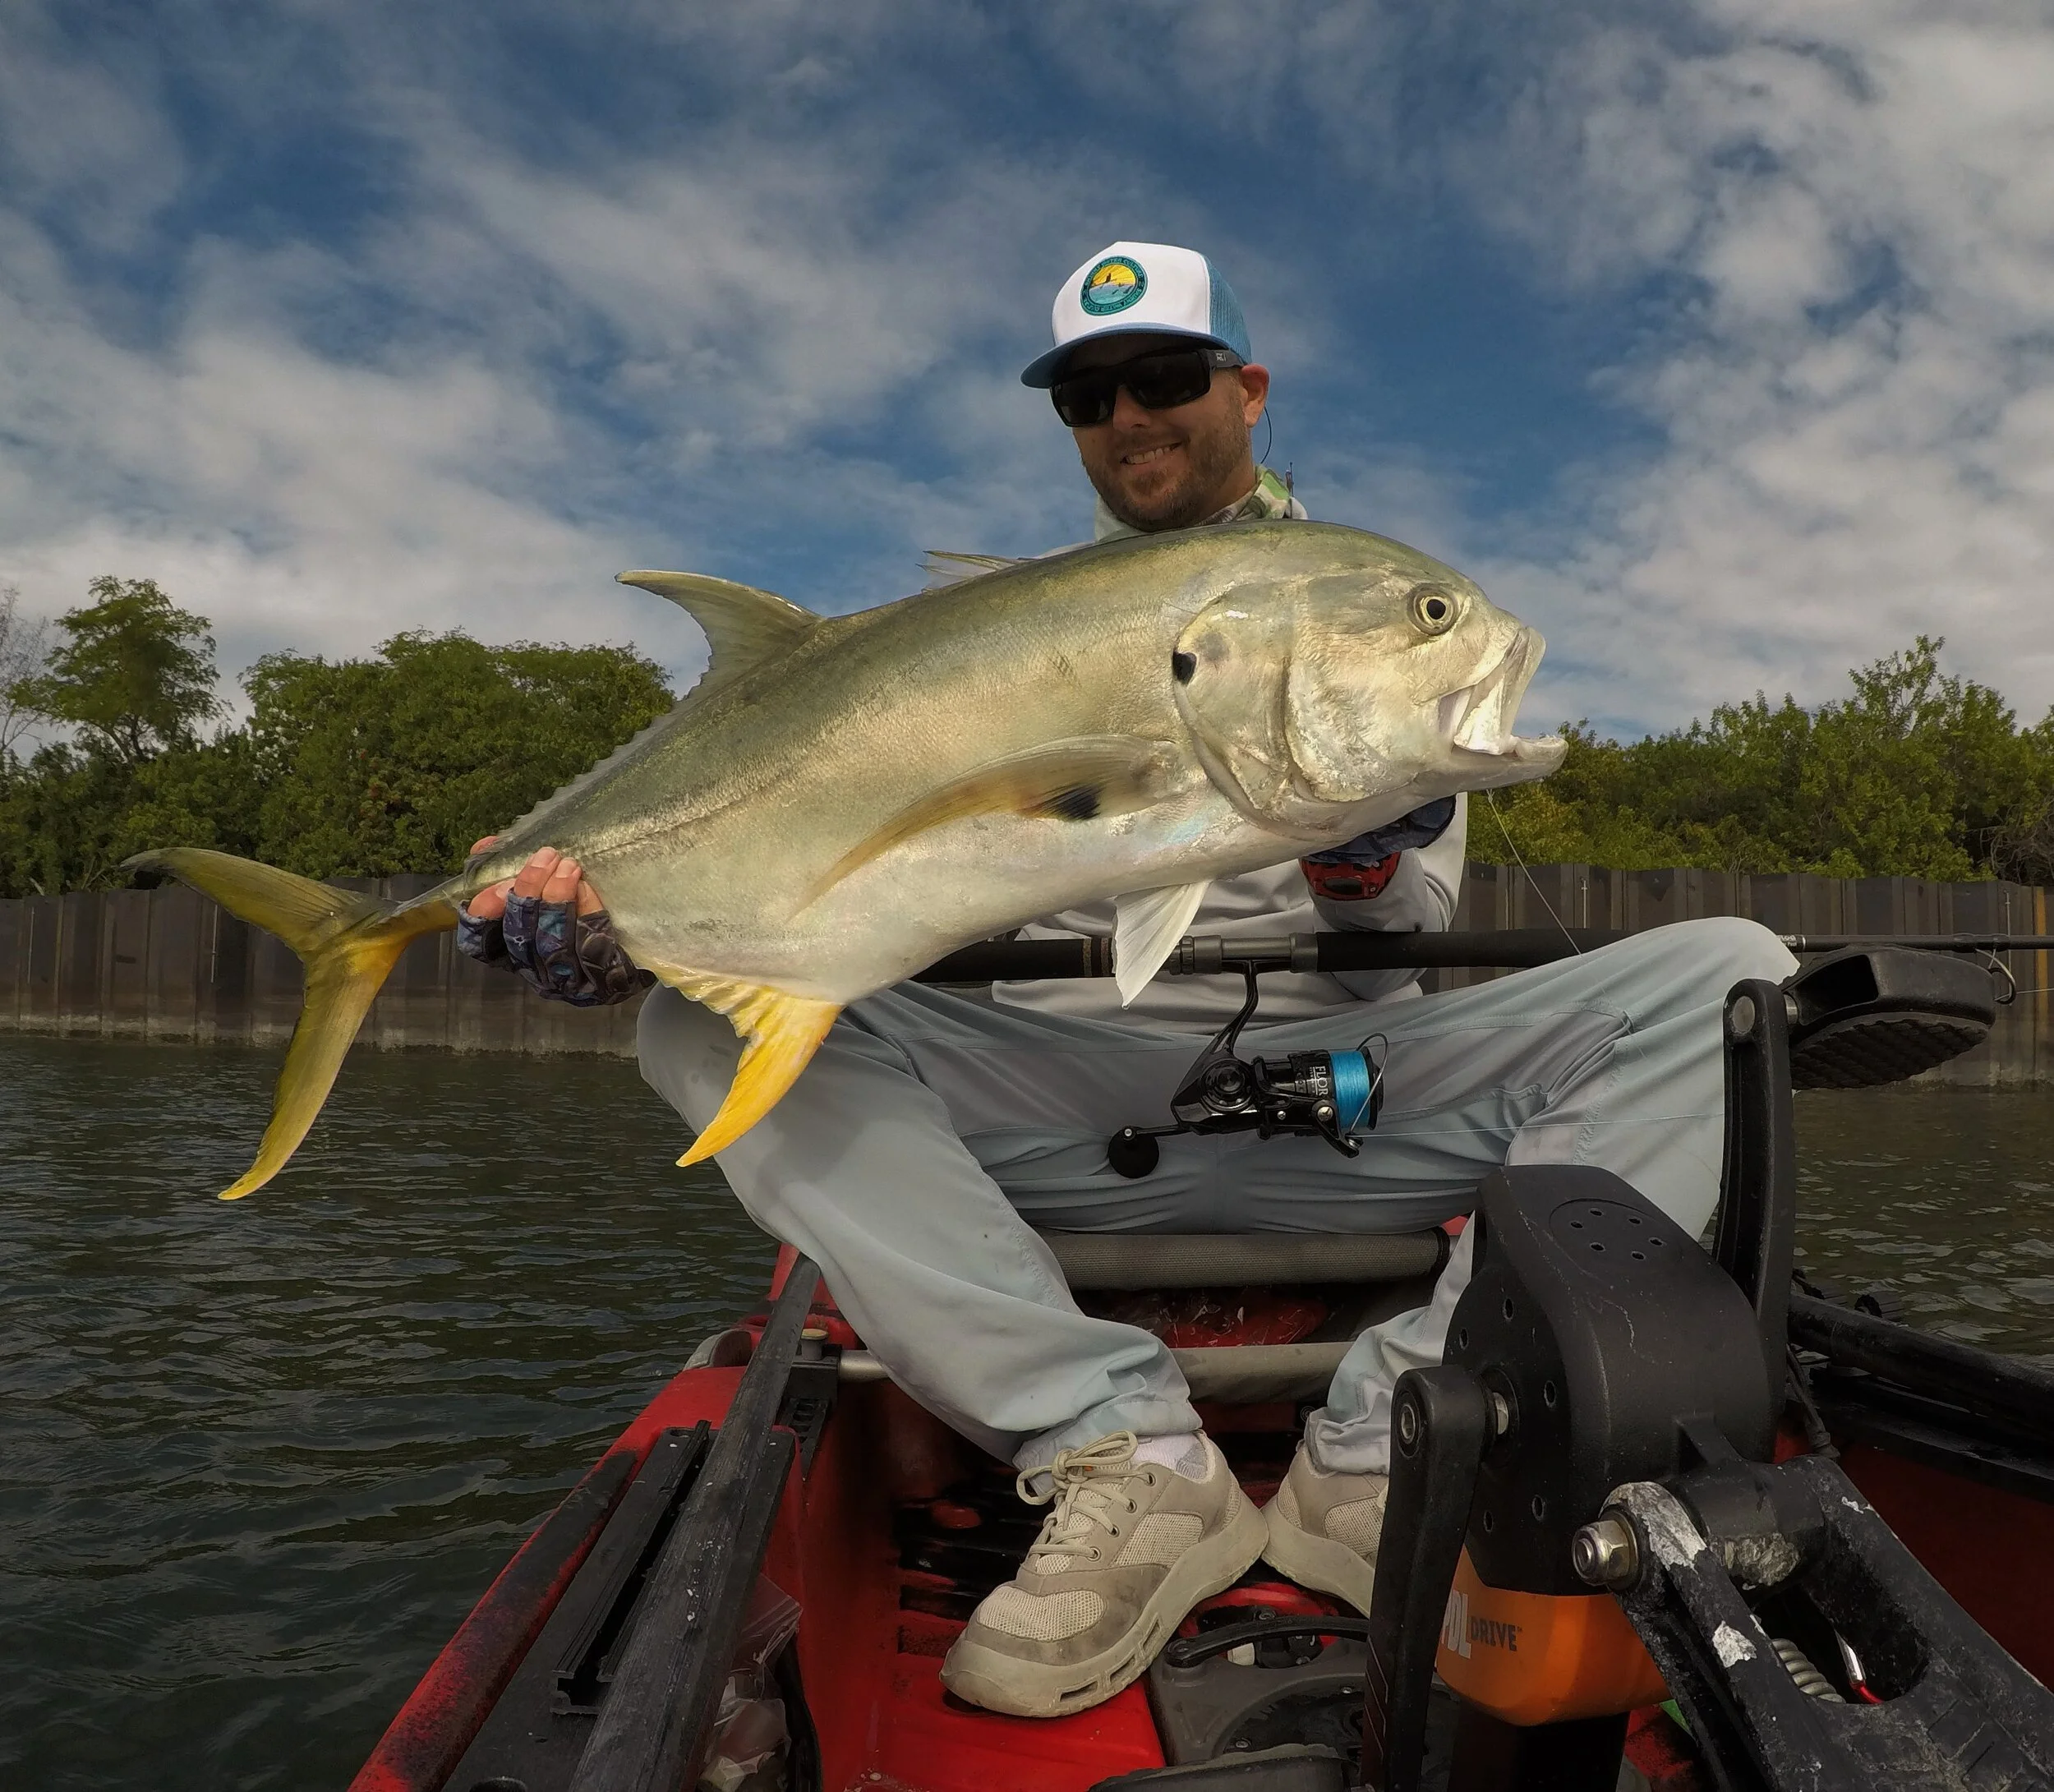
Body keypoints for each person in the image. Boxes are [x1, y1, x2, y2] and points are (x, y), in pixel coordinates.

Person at [459, 241, 1797, 1721]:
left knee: (1733, 980)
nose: (1130, 416)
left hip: (1355, 1110)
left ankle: (1394, 1441)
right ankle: (1129, 1452)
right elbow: (874, 906)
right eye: (1088, 396)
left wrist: (1360, 849)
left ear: (1249, 389)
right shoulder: (994, 635)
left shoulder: (1346, 601)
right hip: (1067, 1112)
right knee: (690, 1028)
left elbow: (1399, 932)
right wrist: (637, 930)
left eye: (1164, 376)